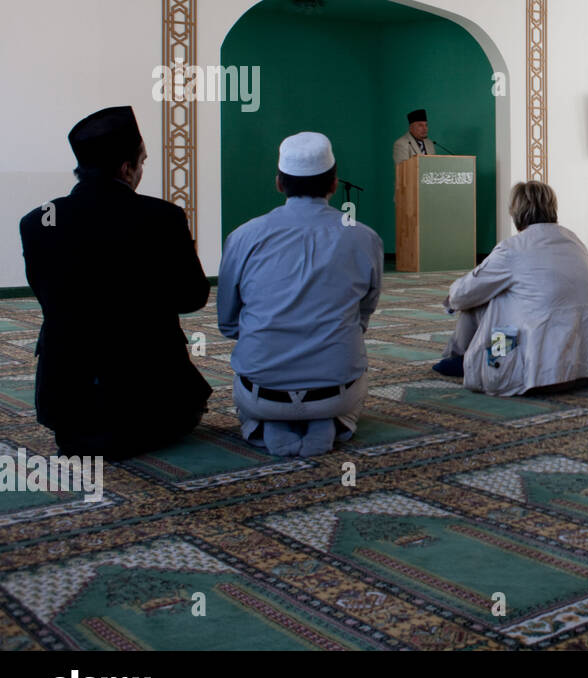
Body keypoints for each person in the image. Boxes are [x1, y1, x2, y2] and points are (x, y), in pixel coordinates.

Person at [19, 106, 211, 459]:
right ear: (127, 168)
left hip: (68, 411)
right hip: (156, 409)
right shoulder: (163, 218)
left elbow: (47, 296)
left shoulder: (36, 223)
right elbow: (192, 297)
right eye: (142, 162)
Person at [219, 132, 383, 456]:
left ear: (279, 183)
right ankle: (334, 421)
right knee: (350, 356)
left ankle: (265, 423)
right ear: (334, 184)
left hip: (261, 392)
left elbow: (227, 323)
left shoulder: (243, 236)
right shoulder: (365, 237)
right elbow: (365, 311)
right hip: (337, 392)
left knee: (256, 389)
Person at [432, 181, 588, 396]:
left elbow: (464, 294)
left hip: (541, 373)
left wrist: (451, 301)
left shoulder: (512, 248)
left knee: (488, 296)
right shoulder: (574, 241)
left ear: (516, 211)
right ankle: (464, 358)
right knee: (510, 292)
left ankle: (463, 359)